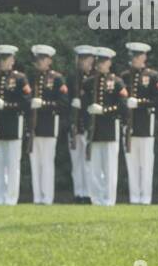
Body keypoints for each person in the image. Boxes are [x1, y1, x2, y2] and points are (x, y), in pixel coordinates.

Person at [121, 42, 158, 204]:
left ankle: (145, 198)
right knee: (132, 165)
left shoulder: (153, 76)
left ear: (144, 57)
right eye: (132, 57)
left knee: (146, 165)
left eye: (137, 57)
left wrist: (140, 102)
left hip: (146, 125)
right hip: (130, 127)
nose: (134, 60)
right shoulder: (125, 76)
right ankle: (134, 198)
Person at [0, 45, 29, 205]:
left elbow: (25, 103)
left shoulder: (20, 79)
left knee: (12, 164)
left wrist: (6, 105)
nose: (2, 62)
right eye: (0, 59)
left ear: (12, 60)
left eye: (6, 59)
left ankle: (10, 198)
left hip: (12, 126)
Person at [83, 47, 128, 206]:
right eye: (99, 61)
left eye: (104, 61)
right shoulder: (88, 82)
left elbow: (123, 106)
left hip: (110, 128)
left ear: (109, 62)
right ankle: (96, 199)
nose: (101, 64)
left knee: (109, 168)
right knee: (94, 168)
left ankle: (109, 200)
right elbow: (83, 106)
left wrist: (105, 110)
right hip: (94, 130)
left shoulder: (117, 82)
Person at [27, 45, 68, 205]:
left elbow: (63, 103)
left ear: (49, 60)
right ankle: (37, 197)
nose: (39, 63)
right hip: (33, 127)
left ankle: (47, 197)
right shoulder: (31, 78)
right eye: (37, 60)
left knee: (47, 163)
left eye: (42, 59)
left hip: (49, 125)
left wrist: (44, 104)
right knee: (35, 163)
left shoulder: (57, 78)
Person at [66, 45, 96, 203]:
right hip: (75, 126)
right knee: (76, 163)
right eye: (82, 60)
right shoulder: (72, 77)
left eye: (87, 59)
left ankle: (89, 193)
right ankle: (79, 193)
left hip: (88, 125)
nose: (85, 63)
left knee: (88, 162)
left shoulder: (96, 78)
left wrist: (82, 103)